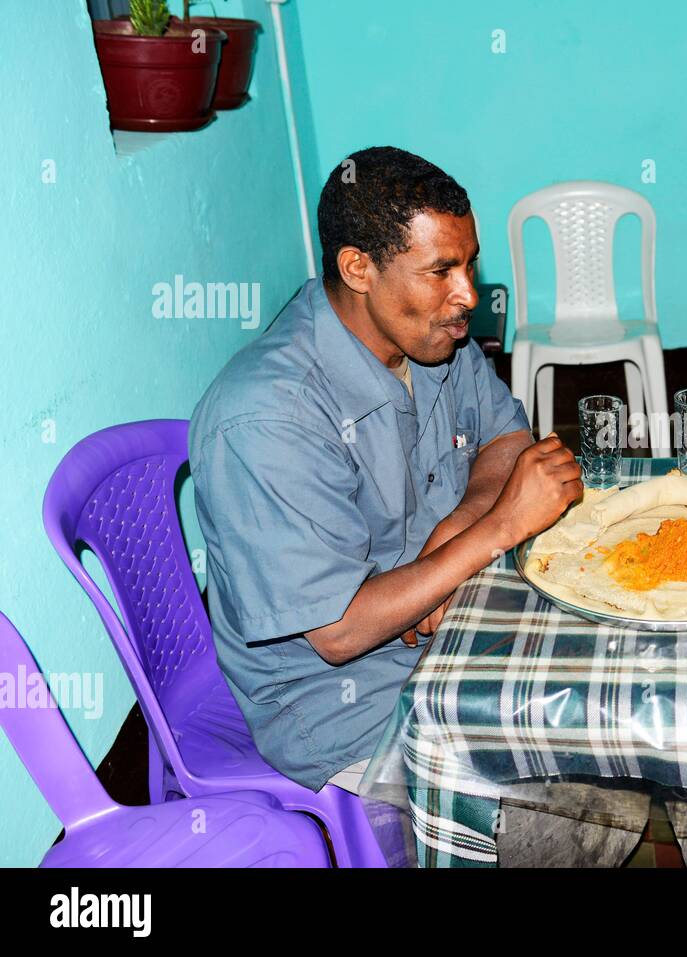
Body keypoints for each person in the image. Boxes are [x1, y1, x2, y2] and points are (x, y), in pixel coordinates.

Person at [190, 147, 581, 797]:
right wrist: (498, 527)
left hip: (449, 628)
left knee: (608, 680)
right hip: (347, 709)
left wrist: (456, 528)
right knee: (573, 799)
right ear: (358, 268)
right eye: (442, 271)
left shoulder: (428, 334)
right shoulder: (266, 417)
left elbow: (508, 434)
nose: (469, 296)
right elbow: (339, 630)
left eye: (470, 263)